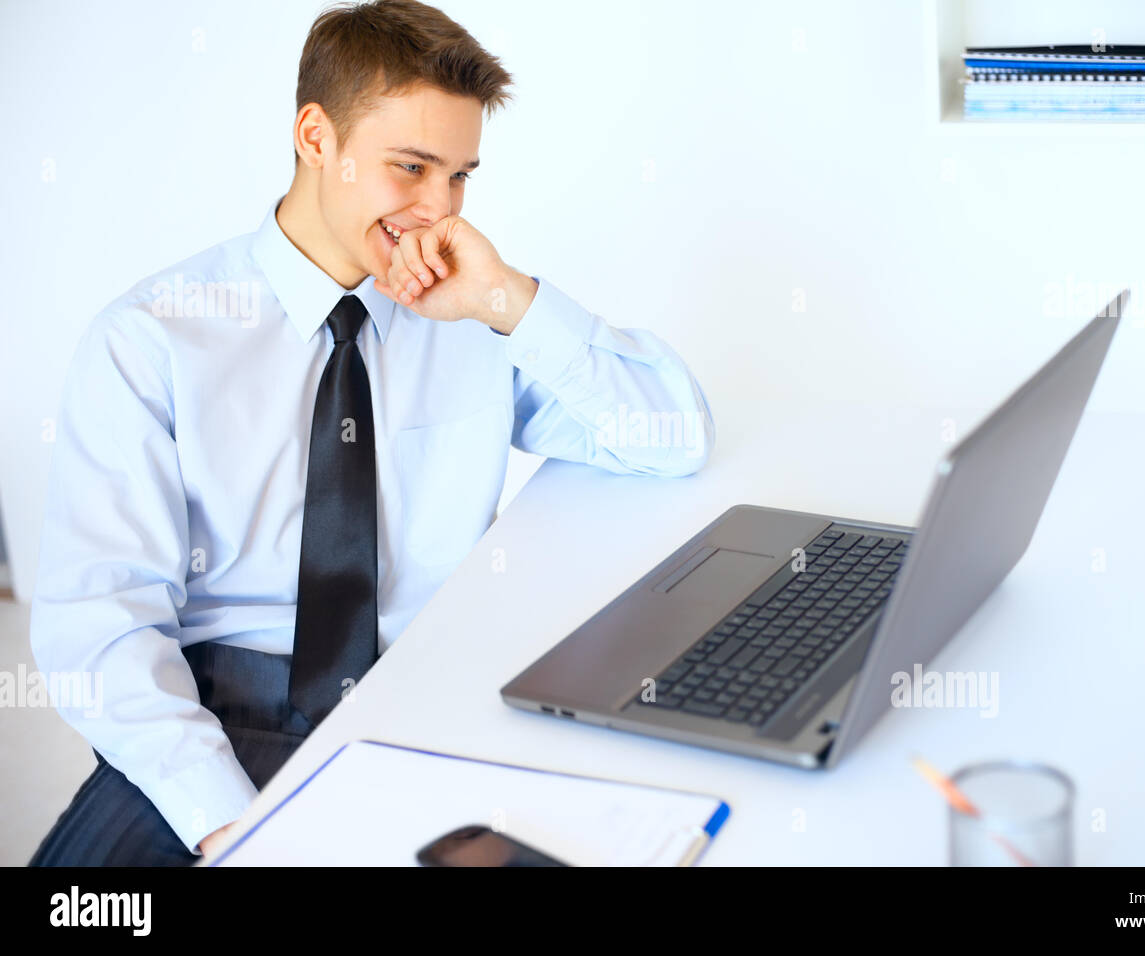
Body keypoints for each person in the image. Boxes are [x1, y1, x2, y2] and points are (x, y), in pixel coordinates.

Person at [28, 0, 714, 866]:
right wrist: (232, 827)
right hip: (213, 713)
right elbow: (103, 628)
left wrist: (506, 300)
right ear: (316, 137)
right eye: (412, 168)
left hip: (426, 699)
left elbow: (672, 435)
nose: (440, 208)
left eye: (462, 175)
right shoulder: (152, 337)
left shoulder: (465, 310)